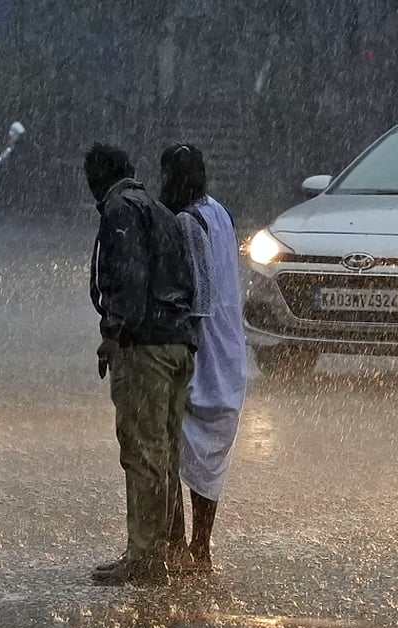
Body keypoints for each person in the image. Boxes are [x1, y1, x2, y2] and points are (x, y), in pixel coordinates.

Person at [84, 143, 208, 586]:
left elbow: (131, 280)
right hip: (178, 345)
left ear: (94, 179)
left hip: (146, 349)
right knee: (167, 452)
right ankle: (166, 551)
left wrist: (112, 336)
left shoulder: (120, 210)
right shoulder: (157, 208)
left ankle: (145, 557)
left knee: (141, 453)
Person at [158, 142, 248, 573]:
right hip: (230, 347)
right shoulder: (220, 212)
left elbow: (200, 295)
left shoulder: (186, 220)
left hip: (204, 347)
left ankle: (181, 544)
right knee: (210, 455)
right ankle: (201, 546)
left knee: (173, 446)